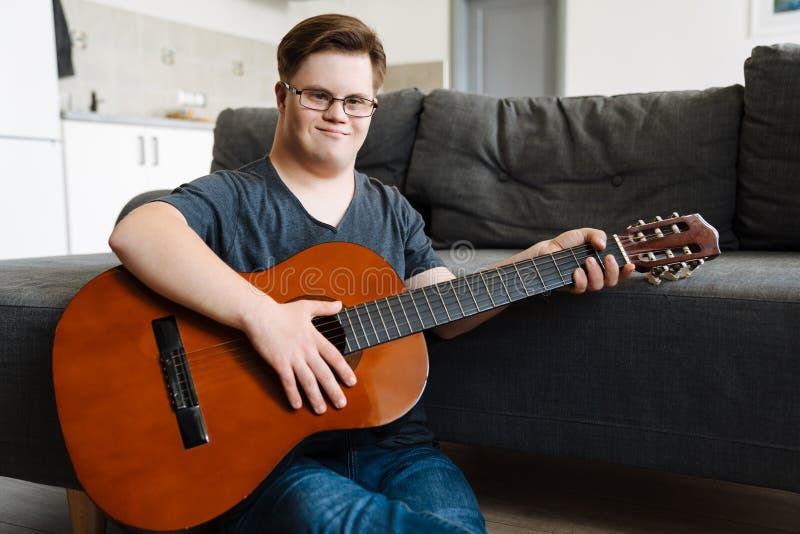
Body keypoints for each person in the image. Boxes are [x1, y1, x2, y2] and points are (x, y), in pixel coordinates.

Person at [109, 13, 634, 534]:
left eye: (356, 101)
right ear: (282, 95)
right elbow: (138, 233)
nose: (339, 113)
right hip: (275, 461)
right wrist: (265, 319)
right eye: (318, 95)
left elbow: (444, 310)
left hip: (397, 447)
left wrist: (541, 258)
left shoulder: (393, 209)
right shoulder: (234, 195)